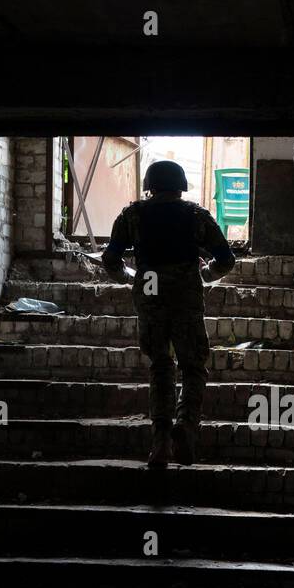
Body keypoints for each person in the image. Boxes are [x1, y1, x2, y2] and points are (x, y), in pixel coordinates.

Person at [100, 160, 236, 467]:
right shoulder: (196, 216)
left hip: (150, 295)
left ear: (150, 186)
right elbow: (226, 259)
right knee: (193, 367)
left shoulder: (131, 215)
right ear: (180, 186)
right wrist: (205, 275)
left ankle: (159, 442)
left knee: (161, 367)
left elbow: (110, 260)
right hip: (186, 297)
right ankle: (186, 429)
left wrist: (129, 276)